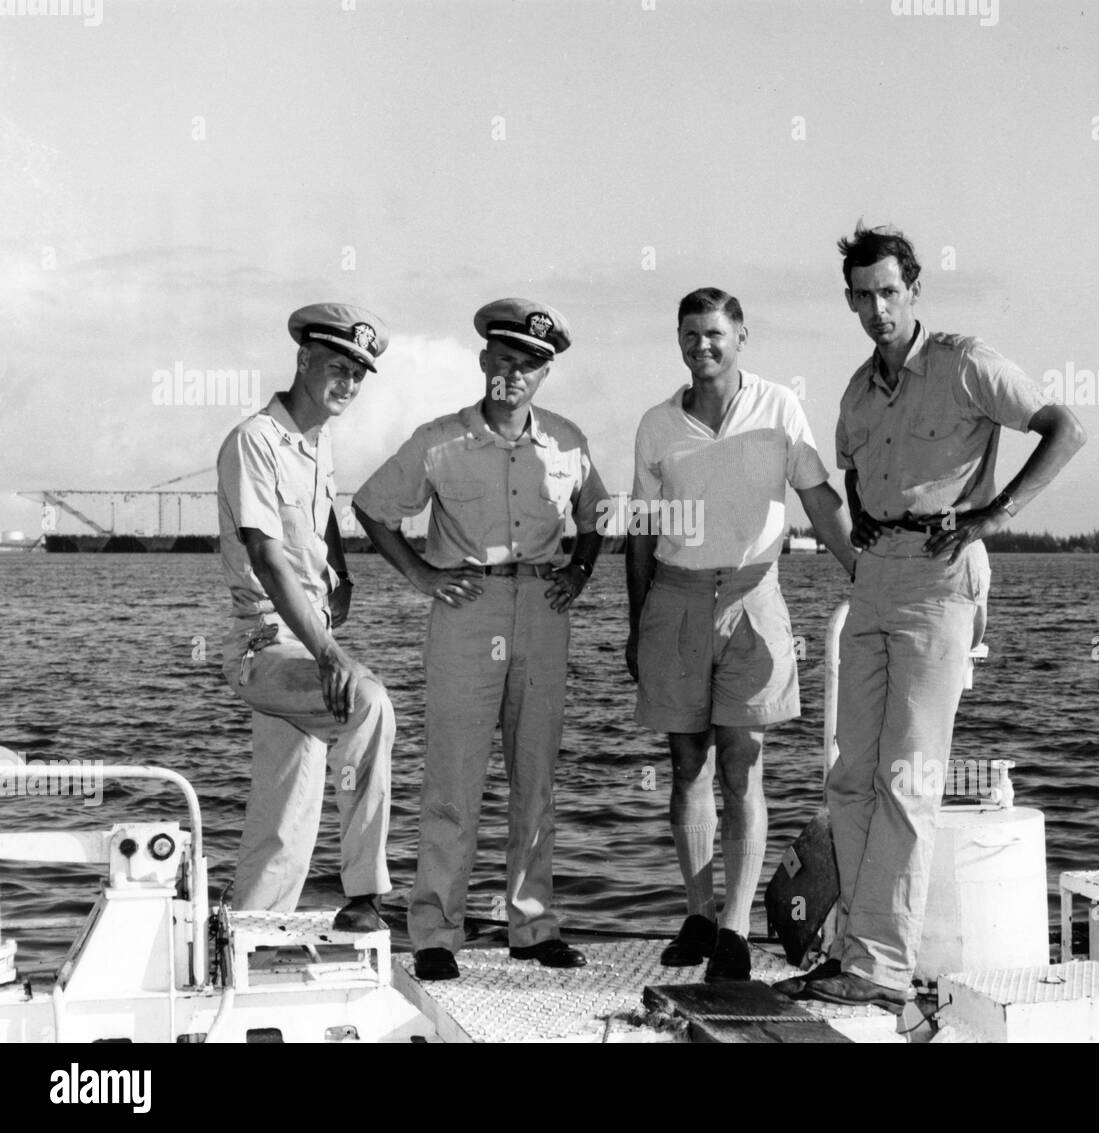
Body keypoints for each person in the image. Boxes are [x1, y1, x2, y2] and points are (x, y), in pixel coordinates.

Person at [784, 223, 1086, 1010]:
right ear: (850, 299)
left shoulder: (965, 363)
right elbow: (851, 478)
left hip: (944, 571)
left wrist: (993, 513)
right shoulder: (854, 390)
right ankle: (855, 948)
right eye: (864, 295)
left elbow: (1065, 427)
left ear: (914, 289)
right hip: (874, 573)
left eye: (890, 291)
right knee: (851, 776)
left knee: (908, 779)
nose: (878, 308)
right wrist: (866, 538)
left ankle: (882, 971)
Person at [353, 298, 606, 981]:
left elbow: (600, 512)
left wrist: (580, 567)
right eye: (504, 359)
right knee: (453, 779)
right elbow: (372, 507)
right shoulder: (438, 441)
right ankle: (435, 930)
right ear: (484, 361)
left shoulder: (569, 442)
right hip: (467, 610)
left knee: (536, 778)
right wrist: (422, 574)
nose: (514, 374)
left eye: (529, 364)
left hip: (545, 612)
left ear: (544, 373)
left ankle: (532, 923)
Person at [626, 287, 856, 982]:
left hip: (755, 597)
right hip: (675, 598)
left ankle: (733, 927)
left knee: (742, 764)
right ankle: (698, 914)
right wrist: (636, 627)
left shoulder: (780, 407)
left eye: (715, 333)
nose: (703, 345)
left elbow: (818, 499)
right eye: (690, 334)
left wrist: (867, 574)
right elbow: (638, 535)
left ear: (742, 336)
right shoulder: (655, 425)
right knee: (686, 764)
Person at [217, 302, 395, 934]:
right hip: (264, 643)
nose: (347, 383)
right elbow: (266, 555)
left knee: (285, 813)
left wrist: (341, 575)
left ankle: (249, 933)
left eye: (359, 373)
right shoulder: (255, 441)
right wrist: (329, 654)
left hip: (305, 639)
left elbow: (321, 520)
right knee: (367, 702)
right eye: (337, 367)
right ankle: (364, 899)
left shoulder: (319, 442)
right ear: (303, 359)